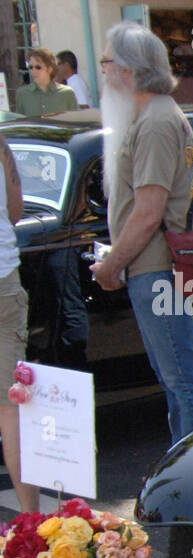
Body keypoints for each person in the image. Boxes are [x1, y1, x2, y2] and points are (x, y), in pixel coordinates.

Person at [90, 21, 193, 445]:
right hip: (154, 269)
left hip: (156, 269)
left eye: (107, 61)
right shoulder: (154, 116)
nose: (102, 70)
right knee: (177, 378)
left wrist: (112, 264)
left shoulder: (157, 122)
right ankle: (186, 472)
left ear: (129, 69)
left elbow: (148, 213)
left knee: (182, 378)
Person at [0, 133, 40, 513]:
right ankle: (31, 522)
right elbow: (14, 211)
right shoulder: (1, 145)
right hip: (3, 278)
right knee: (11, 407)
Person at [15, 48, 79, 117]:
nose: (33, 71)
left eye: (38, 67)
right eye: (30, 67)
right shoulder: (22, 94)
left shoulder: (67, 93)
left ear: (50, 69)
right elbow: (20, 124)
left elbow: (75, 122)